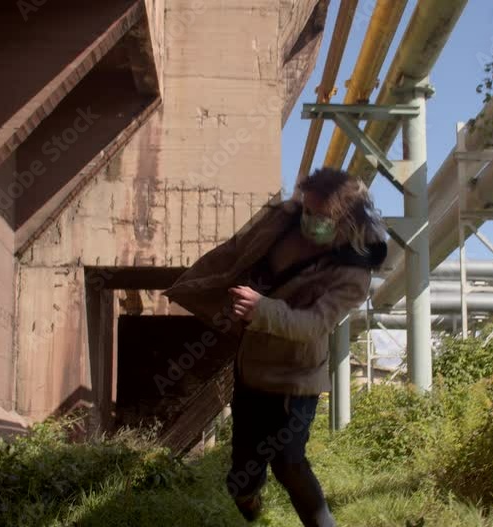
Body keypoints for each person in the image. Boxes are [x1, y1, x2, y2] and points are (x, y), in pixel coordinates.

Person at [164, 168, 387, 526]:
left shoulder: (353, 272)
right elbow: (238, 250)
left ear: (346, 219)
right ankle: (249, 500)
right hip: (250, 369)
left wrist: (263, 310)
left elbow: (316, 324)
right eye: (307, 210)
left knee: (288, 460)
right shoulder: (283, 220)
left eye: (321, 216)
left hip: (295, 380)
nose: (310, 221)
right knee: (241, 477)